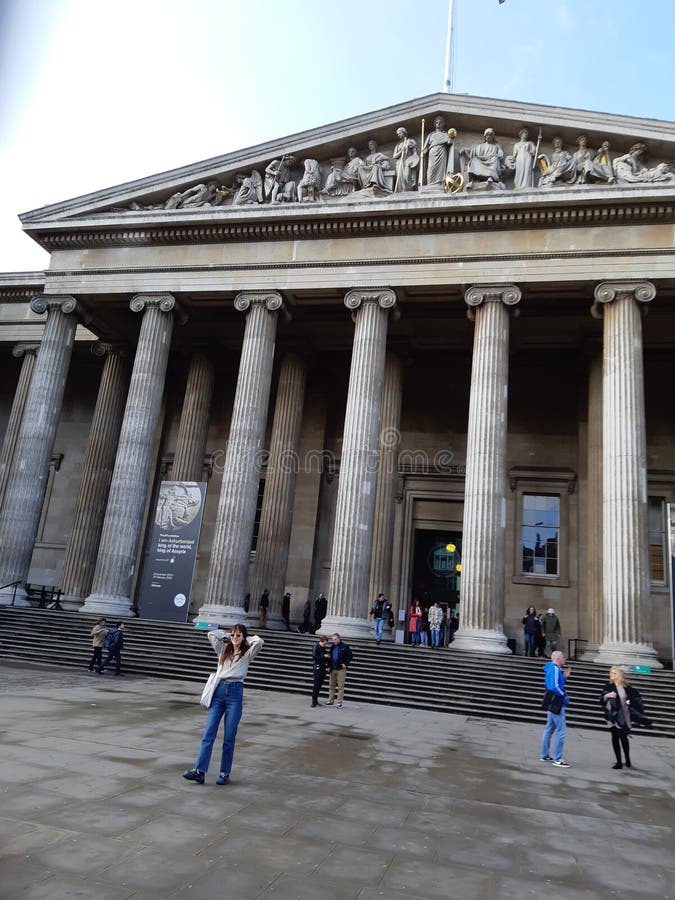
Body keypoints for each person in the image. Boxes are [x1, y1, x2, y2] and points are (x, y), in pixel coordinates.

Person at [184, 623, 263, 785]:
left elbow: (259, 642)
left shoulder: (247, 653)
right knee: (208, 734)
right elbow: (211, 635)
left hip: (235, 692)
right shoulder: (223, 650)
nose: (234, 637)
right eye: (233, 635)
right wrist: (228, 635)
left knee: (229, 736)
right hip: (219, 691)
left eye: (238, 635)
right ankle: (200, 771)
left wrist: (245, 638)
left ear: (243, 637)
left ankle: (224, 773)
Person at [600, 666, 651, 769]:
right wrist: (607, 696)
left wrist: (629, 702)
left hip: (624, 716)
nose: (611, 674)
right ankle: (619, 762)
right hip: (612, 717)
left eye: (614, 673)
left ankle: (627, 758)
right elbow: (601, 699)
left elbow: (636, 700)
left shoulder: (627, 688)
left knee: (623, 738)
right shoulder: (608, 686)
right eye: (611, 672)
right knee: (614, 738)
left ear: (619, 675)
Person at [540, 650, 571, 767]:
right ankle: (557, 759)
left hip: (552, 700)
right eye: (563, 657)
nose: (564, 659)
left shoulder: (553, 669)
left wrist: (564, 677)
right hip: (556, 701)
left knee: (549, 728)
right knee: (561, 731)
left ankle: (544, 754)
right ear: (558, 658)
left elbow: (557, 683)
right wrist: (563, 697)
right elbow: (554, 686)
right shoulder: (555, 668)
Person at [422, 116, 454, 186]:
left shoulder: (446, 134)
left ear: (443, 124)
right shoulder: (431, 135)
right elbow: (426, 147)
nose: (438, 124)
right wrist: (424, 152)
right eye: (436, 122)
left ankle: (440, 184)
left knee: (441, 170)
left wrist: (451, 139)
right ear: (434, 124)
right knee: (431, 168)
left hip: (441, 152)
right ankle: (430, 184)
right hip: (432, 152)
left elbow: (449, 143)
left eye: (440, 122)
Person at [324, 633, 352, 708]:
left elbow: (350, 656)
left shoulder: (345, 646)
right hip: (333, 668)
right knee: (331, 686)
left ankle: (339, 702)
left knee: (340, 686)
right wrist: (328, 666)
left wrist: (345, 664)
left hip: (341, 669)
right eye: (333, 640)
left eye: (335, 639)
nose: (334, 641)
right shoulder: (332, 646)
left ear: (339, 638)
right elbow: (330, 657)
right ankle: (330, 701)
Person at [393, 127, 419, 192]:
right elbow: (394, 156)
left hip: (408, 162)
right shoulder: (398, 145)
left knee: (407, 177)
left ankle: (409, 190)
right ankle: (402, 191)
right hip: (399, 163)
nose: (398, 135)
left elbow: (415, 153)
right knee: (400, 180)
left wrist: (413, 161)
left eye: (400, 133)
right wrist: (401, 151)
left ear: (404, 133)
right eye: (397, 134)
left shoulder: (410, 141)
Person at [311, 634, 329, 707]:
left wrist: (327, 657)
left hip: (323, 668)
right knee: (316, 684)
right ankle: (313, 701)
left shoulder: (323, 648)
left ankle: (316, 700)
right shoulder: (316, 647)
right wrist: (323, 656)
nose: (325, 645)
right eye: (325, 643)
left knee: (319, 685)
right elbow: (314, 657)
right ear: (321, 641)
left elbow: (325, 658)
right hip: (317, 668)